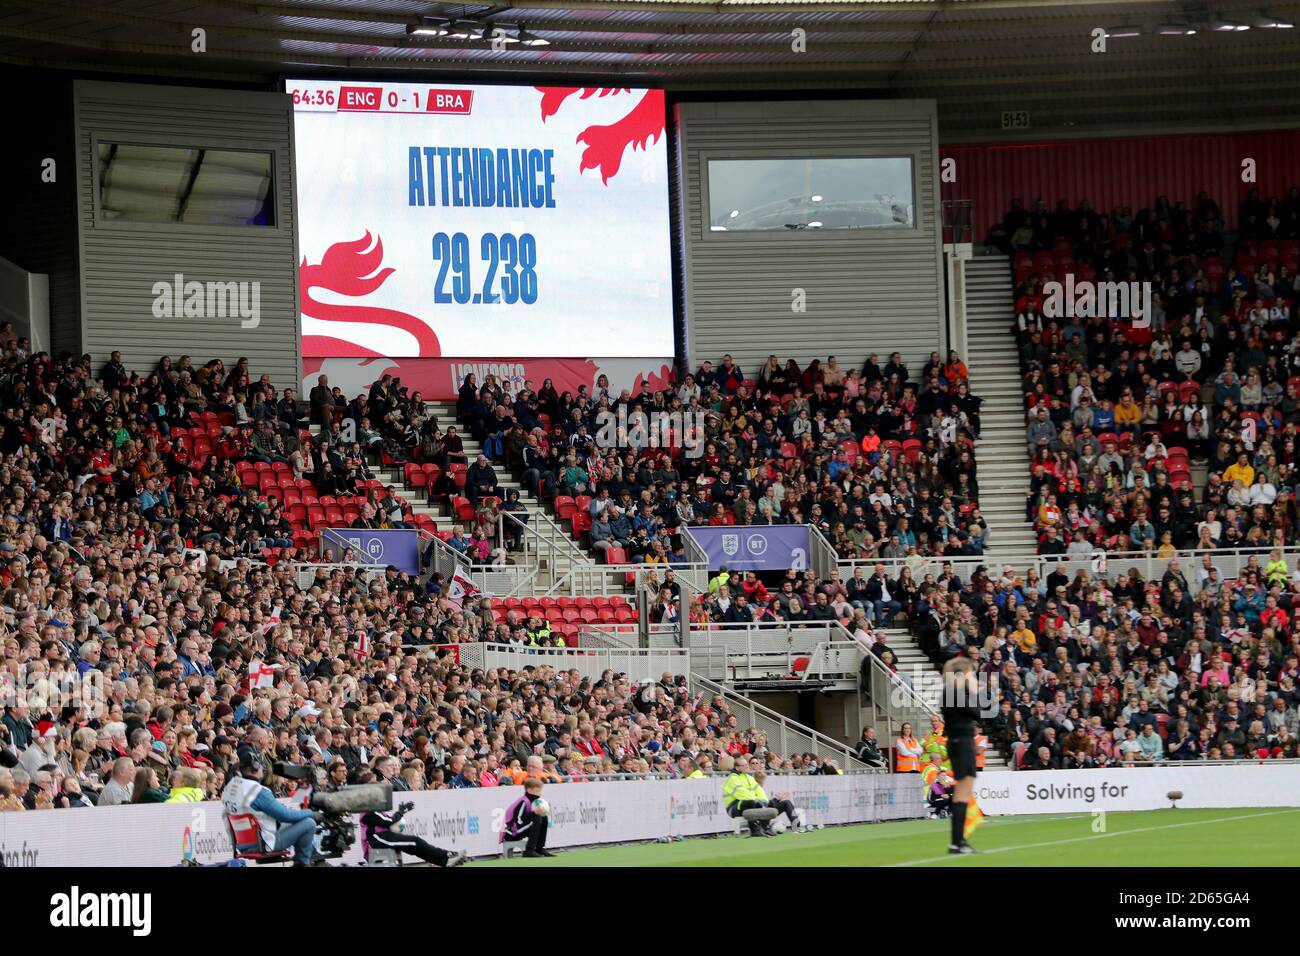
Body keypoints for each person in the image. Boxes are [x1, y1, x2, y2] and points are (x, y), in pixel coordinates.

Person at [221, 749, 325, 867]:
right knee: (309, 823)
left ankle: (312, 857)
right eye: (261, 767)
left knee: (296, 822)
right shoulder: (258, 791)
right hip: (262, 843)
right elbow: (286, 816)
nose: (263, 770)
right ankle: (302, 864)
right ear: (255, 768)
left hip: (241, 844)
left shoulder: (230, 787)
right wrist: (311, 813)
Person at [940, 657, 984, 854]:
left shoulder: (950, 692)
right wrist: (974, 691)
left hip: (960, 741)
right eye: (971, 674)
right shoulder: (954, 693)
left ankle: (959, 841)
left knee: (964, 791)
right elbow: (977, 712)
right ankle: (957, 842)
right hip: (961, 742)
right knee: (963, 791)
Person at [362, 800, 467, 867]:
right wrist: (400, 812)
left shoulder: (376, 810)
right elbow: (390, 822)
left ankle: (444, 862)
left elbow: (390, 822)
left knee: (414, 847)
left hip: (384, 838)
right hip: (376, 841)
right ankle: (446, 854)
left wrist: (400, 814)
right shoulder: (368, 811)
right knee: (414, 842)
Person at [722, 754, 806, 836]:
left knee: (785, 802)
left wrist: (765, 802)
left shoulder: (749, 778)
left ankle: (796, 827)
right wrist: (758, 802)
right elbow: (742, 794)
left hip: (752, 803)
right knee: (751, 802)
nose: (747, 767)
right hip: (734, 807)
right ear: (737, 767)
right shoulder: (732, 778)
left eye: (747, 764)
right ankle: (755, 830)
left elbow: (760, 792)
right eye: (744, 765)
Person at [501, 778, 554, 858]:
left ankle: (539, 848)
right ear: (529, 790)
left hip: (519, 829)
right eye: (537, 791)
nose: (539, 794)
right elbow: (519, 821)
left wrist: (544, 809)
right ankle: (529, 850)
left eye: (540, 791)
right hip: (510, 832)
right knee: (537, 818)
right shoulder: (524, 801)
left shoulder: (533, 801)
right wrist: (534, 813)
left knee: (543, 817)